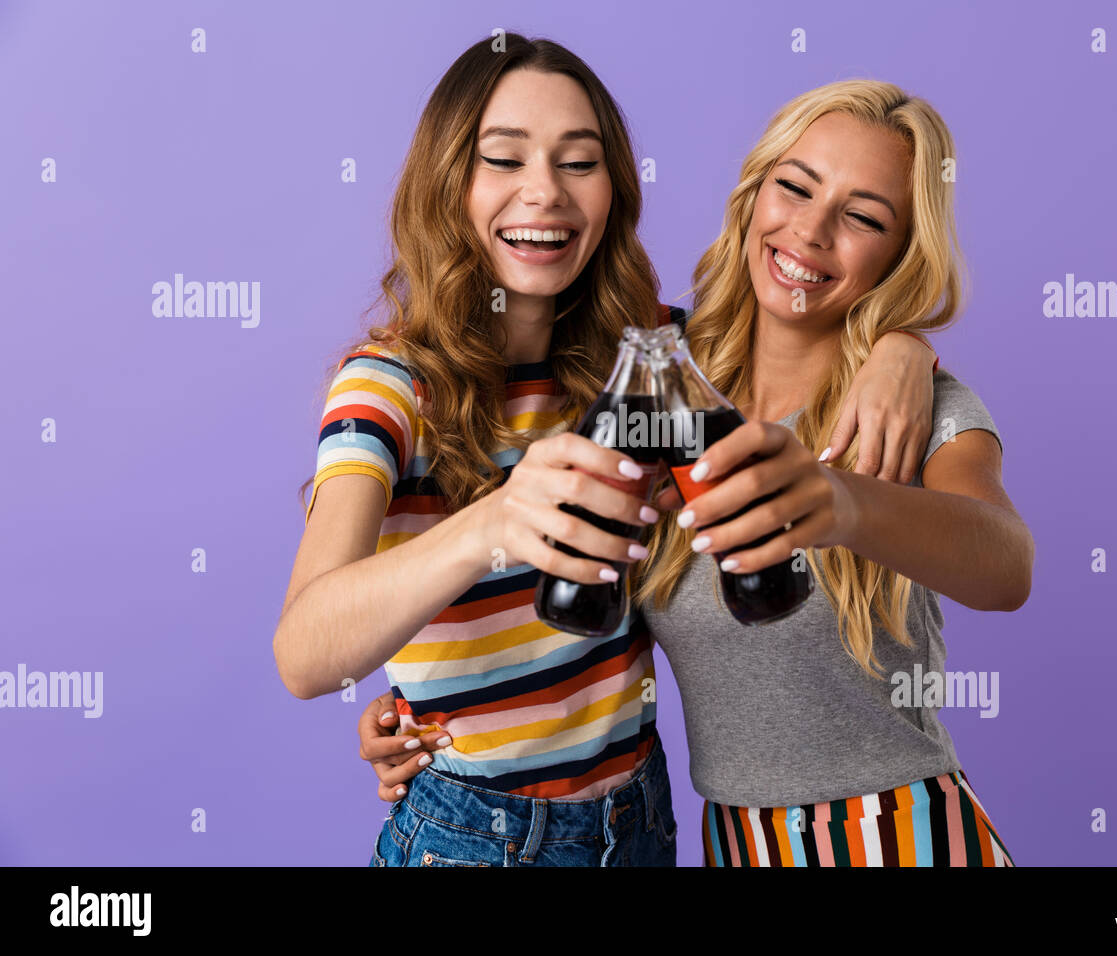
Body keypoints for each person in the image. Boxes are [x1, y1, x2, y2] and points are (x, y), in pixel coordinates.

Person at [277, 35, 941, 868]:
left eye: (578, 163)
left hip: (641, 820)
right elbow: (305, 653)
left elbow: (794, 324)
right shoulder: (391, 388)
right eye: (504, 160)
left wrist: (901, 347)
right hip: (476, 836)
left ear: (614, 191)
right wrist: (496, 522)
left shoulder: (648, 364)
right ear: (449, 183)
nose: (544, 193)